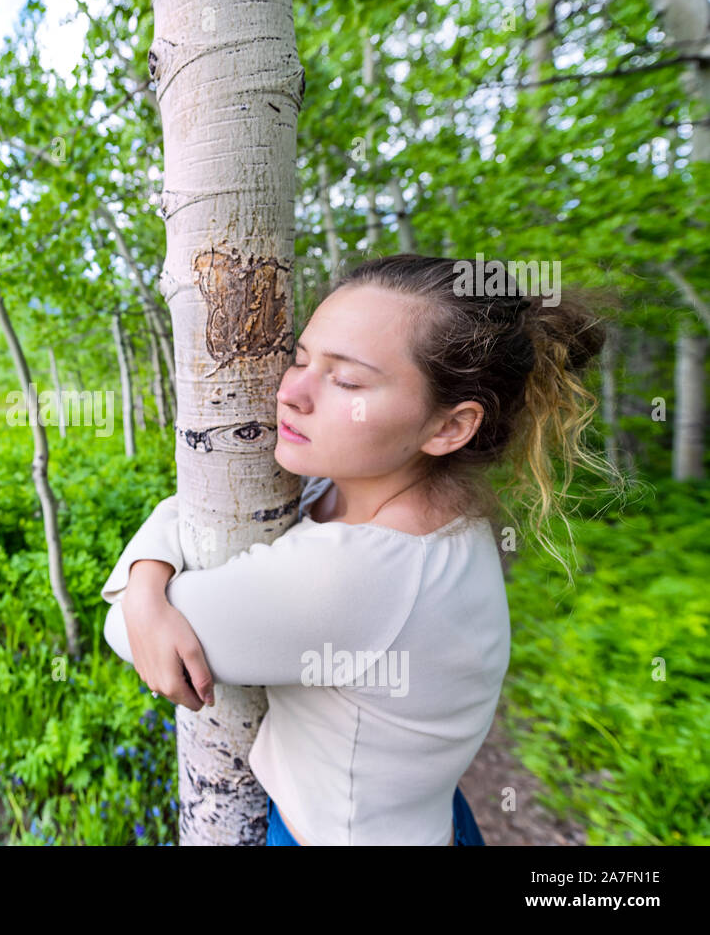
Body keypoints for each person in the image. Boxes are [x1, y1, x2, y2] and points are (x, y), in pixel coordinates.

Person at [100, 253, 629, 845]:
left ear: (449, 427)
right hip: (427, 818)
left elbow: (127, 631)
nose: (291, 393)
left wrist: (143, 591)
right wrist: (150, 575)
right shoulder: (397, 498)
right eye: (299, 359)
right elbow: (192, 509)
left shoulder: (356, 574)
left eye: (347, 381)